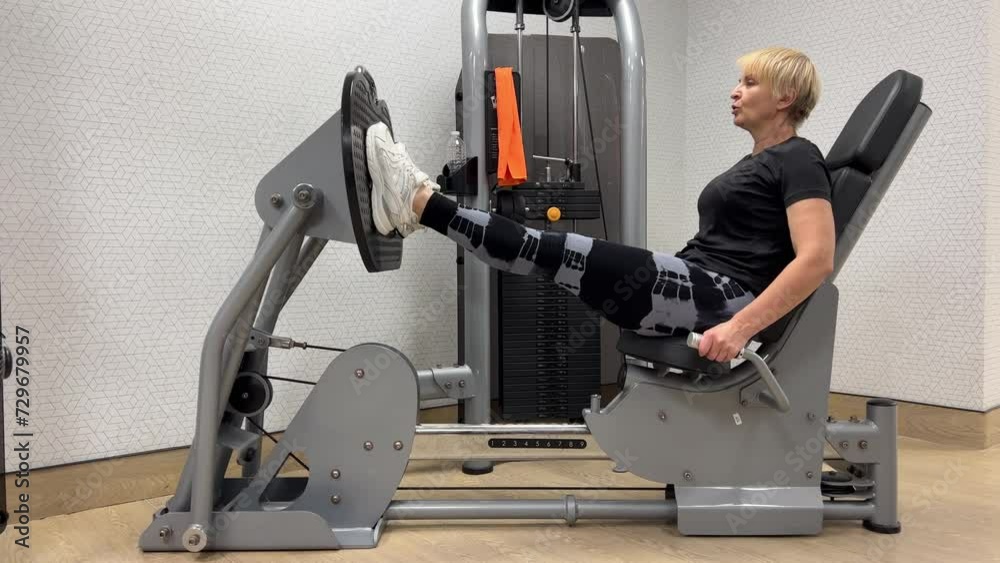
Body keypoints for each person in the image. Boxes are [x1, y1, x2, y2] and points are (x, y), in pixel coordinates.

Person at [365, 47, 834, 363]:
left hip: (723, 300)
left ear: (785, 97)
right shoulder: (755, 161)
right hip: (696, 282)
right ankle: (417, 204)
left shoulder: (799, 157)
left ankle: (420, 202)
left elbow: (816, 259)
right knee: (546, 255)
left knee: (548, 250)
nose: (735, 91)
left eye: (749, 83)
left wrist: (737, 329)